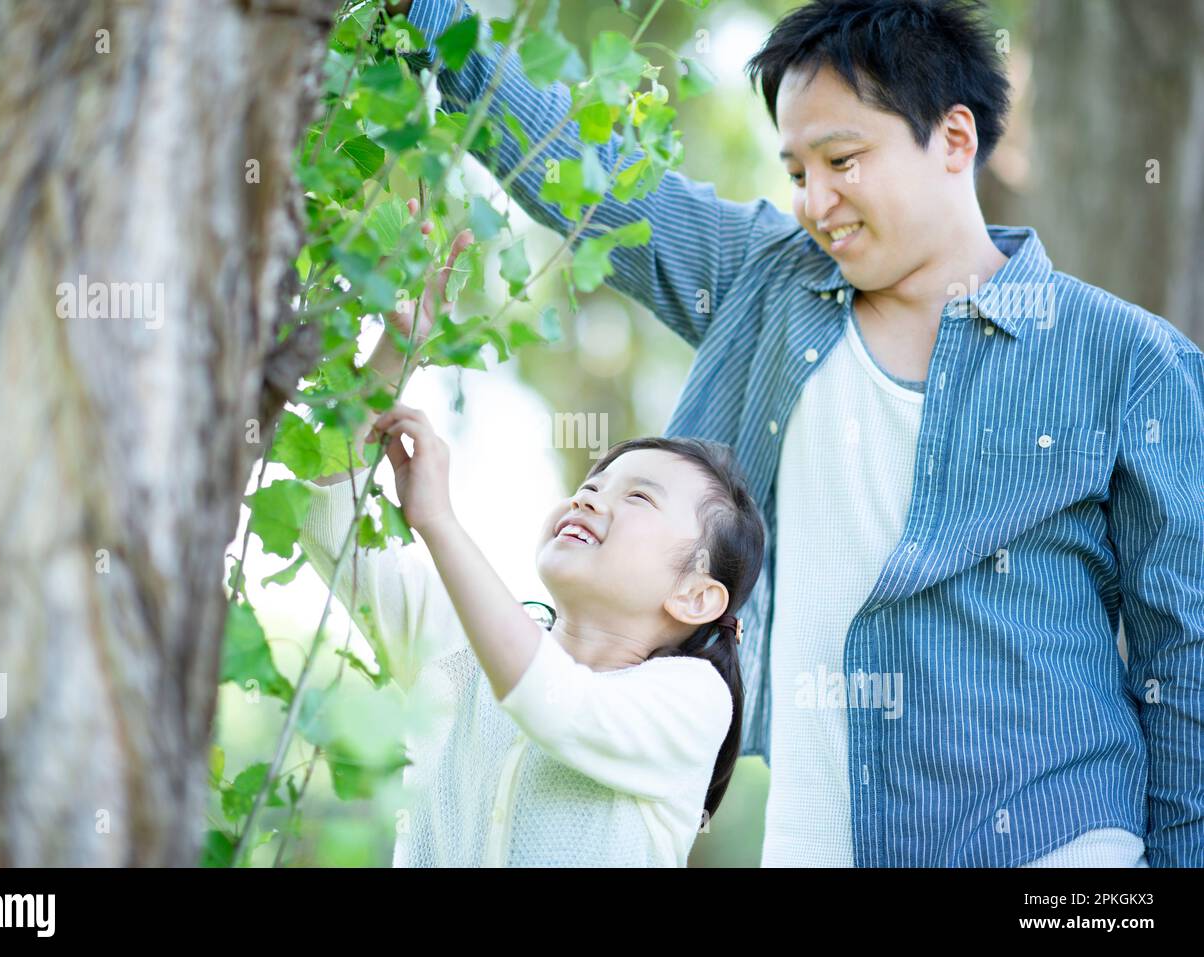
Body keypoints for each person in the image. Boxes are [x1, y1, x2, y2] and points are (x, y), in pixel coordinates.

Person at [368, 0, 1204, 866]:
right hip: (816, 840)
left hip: (1058, 858)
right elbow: (597, 177)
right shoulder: (767, 286)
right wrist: (425, 16)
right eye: (797, 170)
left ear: (955, 140)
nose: (815, 200)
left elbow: (1187, 660)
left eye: (843, 160)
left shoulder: (1128, 360)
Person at [298, 232, 768, 865]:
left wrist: (439, 522)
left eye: (638, 499)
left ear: (696, 595)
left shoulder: (691, 699)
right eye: (590, 485)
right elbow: (329, 518)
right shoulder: (458, 646)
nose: (589, 499)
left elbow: (556, 704)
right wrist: (395, 358)